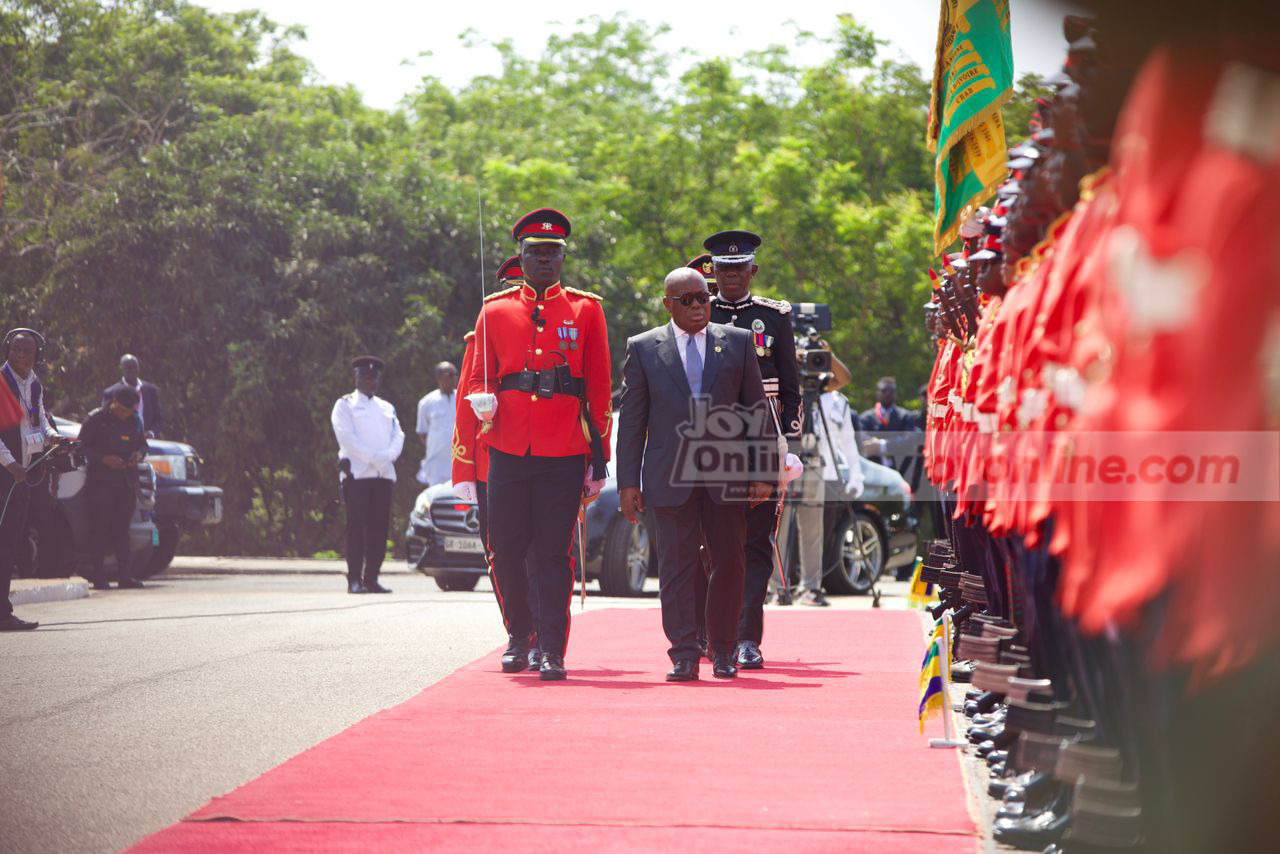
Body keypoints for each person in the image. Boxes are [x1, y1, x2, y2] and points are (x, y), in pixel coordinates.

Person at [466, 208, 612, 681]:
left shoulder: (586, 309)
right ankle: (518, 636)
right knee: (505, 548)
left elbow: (599, 390)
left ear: (563, 258)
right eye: (536, 253)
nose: (545, 261)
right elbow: (474, 378)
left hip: (564, 450)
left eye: (553, 253)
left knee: (554, 552)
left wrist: (599, 458)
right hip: (508, 446)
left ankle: (552, 648)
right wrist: (479, 402)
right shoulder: (494, 310)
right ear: (521, 257)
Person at [617, 267, 772, 680]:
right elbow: (632, 422)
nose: (698, 306)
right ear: (668, 304)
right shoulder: (644, 347)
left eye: (704, 297)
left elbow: (756, 409)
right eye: (686, 300)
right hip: (669, 475)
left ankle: (723, 650)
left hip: (726, 473)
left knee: (729, 562)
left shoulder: (737, 343)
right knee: (675, 567)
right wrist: (628, 482)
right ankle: (684, 652)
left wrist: (763, 471)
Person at [706, 229, 800, 670]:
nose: (732, 277)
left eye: (739, 268)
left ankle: (748, 638)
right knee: (714, 541)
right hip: (714, 438)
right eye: (724, 269)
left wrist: (791, 446)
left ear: (753, 271)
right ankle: (714, 632)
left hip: (764, 437)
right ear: (713, 271)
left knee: (757, 544)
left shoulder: (774, 317)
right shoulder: (699, 312)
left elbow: (793, 388)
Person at [452, 254, 542, 672]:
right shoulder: (480, 337)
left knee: (545, 552)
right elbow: (466, 409)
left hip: (545, 455)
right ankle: (519, 631)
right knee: (502, 553)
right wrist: (464, 469)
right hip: (493, 462)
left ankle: (545, 631)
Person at [777, 385, 865, 608]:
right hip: (784, 461)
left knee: (813, 531)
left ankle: (811, 588)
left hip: (816, 466)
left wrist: (856, 475)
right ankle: (776, 588)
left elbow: (848, 440)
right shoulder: (785, 386)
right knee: (780, 528)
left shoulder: (835, 399)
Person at [1, 329, 61, 630]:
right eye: (16, 350)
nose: (21, 356)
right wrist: (11, 465)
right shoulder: (1, 383)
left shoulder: (35, 384)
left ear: (37, 354)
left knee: (10, 544)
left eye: (27, 351)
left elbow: (39, 418)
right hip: (7, 475)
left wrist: (53, 438)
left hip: (23, 475)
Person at [331, 356, 404, 595]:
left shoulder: (386, 407)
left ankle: (371, 577)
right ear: (357, 378)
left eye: (373, 377)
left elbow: (398, 435)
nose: (369, 381)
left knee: (379, 529)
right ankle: (354, 579)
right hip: (358, 475)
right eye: (364, 376)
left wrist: (388, 456)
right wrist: (374, 457)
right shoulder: (345, 404)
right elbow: (346, 438)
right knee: (356, 528)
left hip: (383, 475)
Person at [79, 385, 148, 590]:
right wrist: (103, 459)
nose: (126, 415)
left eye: (130, 411)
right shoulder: (96, 419)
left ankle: (125, 576)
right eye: (123, 410)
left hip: (125, 482)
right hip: (100, 483)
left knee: (121, 530)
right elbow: (81, 446)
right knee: (99, 530)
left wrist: (138, 455)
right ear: (114, 403)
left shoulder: (135, 420)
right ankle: (98, 576)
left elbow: (143, 445)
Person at [415, 361, 458, 486]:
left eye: (455, 374)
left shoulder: (463, 397)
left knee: (461, 501)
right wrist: (439, 445)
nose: (453, 378)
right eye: (450, 374)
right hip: (436, 463)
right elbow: (422, 432)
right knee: (436, 499)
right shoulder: (426, 402)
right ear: (439, 377)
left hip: (459, 460)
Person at [103, 354, 163, 438]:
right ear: (122, 369)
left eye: (134, 367)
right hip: (122, 441)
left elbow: (158, 418)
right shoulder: (111, 392)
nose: (131, 370)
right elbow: (106, 420)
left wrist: (152, 433)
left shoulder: (151, 390)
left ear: (138, 368)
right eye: (128, 367)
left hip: (149, 441)